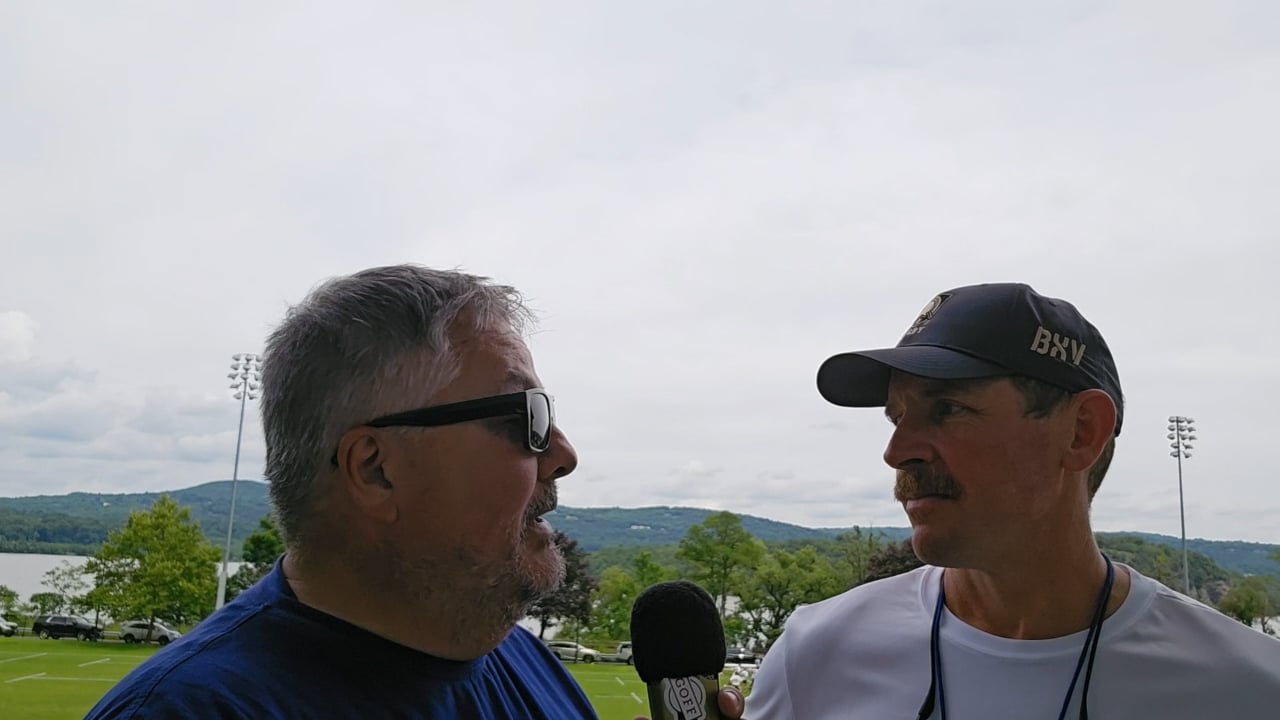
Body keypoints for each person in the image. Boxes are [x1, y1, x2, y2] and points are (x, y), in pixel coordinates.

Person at [745, 282, 1280, 719]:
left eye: (948, 409)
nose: (896, 452)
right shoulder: (814, 655)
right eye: (896, 418)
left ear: (1081, 433)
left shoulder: (1249, 688)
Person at [86, 264, 598, 718]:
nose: (563, 455)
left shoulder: (528, 663)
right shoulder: (189, 709)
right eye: (525, 418)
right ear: (375, 470)